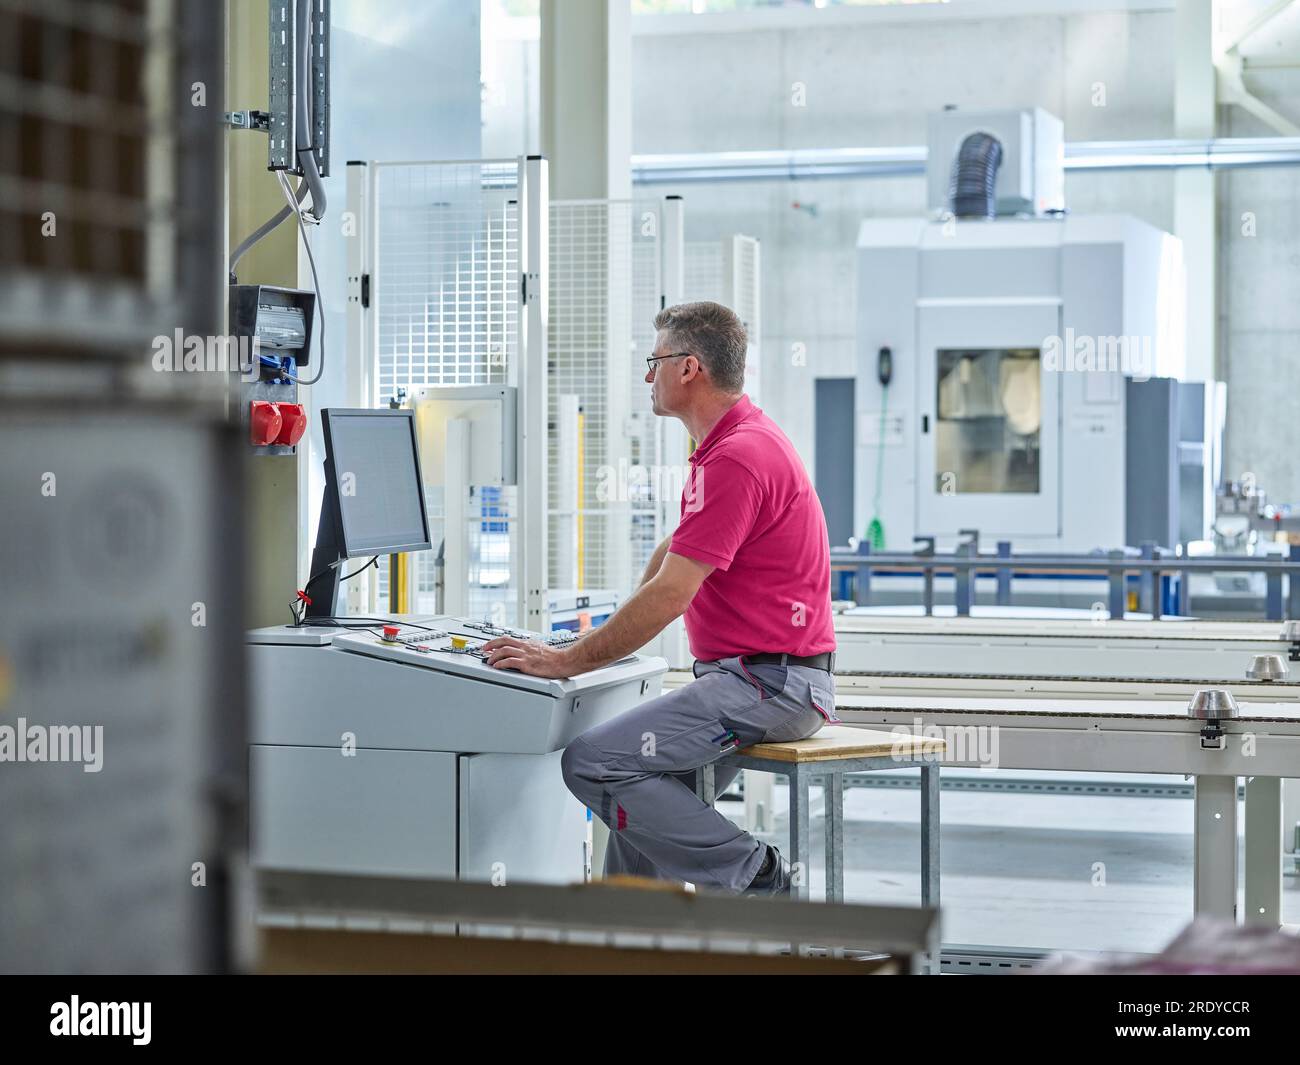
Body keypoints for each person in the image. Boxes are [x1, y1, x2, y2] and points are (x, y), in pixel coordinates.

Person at [483, 300, 837, 895]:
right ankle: (633, 941)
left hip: (770, 686)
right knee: (642, 785)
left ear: (689, 368)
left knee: (594, 761)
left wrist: (569, 660)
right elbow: (677, 554)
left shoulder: (739, 457)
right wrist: (602, 639)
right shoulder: (727, 446)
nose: (648, 375)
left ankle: (756, 875)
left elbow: (674, 594)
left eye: (655, 361)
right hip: (750, 679)